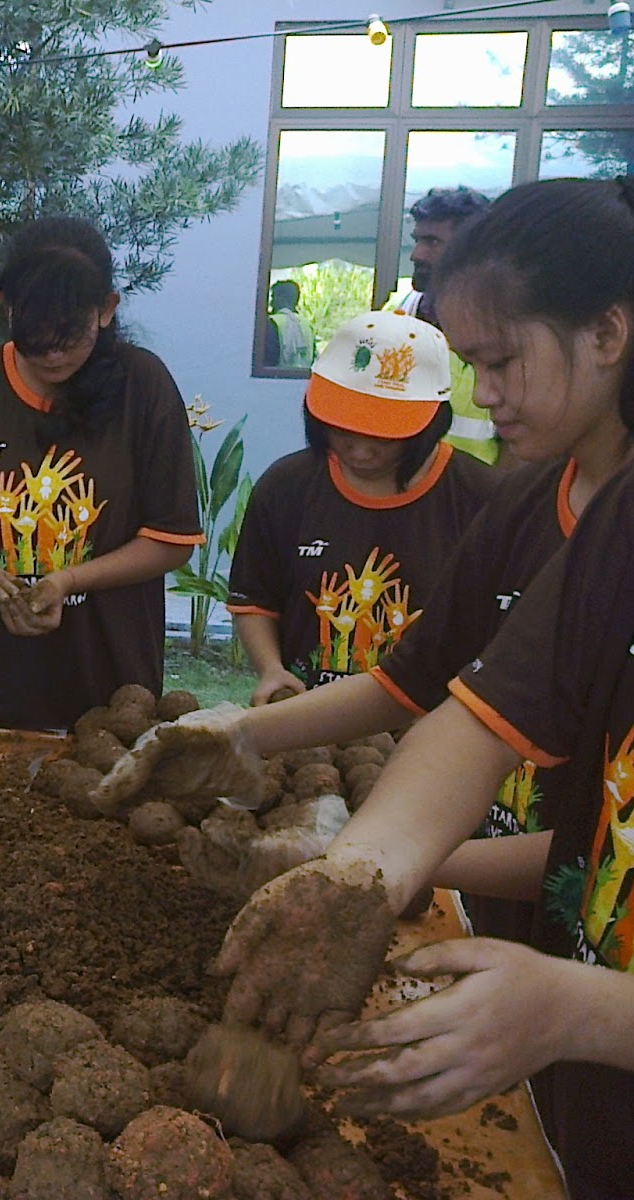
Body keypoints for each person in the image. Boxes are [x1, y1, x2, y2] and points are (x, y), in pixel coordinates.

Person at [212, 176, 634, 1200]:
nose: (483, 395)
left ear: (606, 335)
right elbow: (465, 717)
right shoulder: (610, 524)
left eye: (498, 362)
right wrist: (354, 878)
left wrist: (584, 1012)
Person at [0, 216, 203, 732]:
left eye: (70, 337)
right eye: (35, 339)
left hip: (109, 693)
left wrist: (68, 580)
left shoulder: (142, 386)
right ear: (6, 306)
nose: (54, 355)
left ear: (106, 310)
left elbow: (172, 539)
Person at [227, 310, 495, 706]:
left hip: (428, 728)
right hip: (306, 721)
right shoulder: (286, 488)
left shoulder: (482, 499)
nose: (360, 450)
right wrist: (271, 670)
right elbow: (255, 599)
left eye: (384, 435)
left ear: (433, 423)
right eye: (342, 428)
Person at [390, 185, 500, 465]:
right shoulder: (402, 314)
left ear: (472, 250)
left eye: (432, 242)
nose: (416, 254)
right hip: (404, 490)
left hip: (482, 497)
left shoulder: (509, 328)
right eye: (417, 240)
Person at [263, 279, 314, 369]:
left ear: (281, 298)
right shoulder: (307, 325)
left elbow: (268, 360)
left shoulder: (272, 323)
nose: (271, 303)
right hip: (303, 379)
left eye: (273, 297)